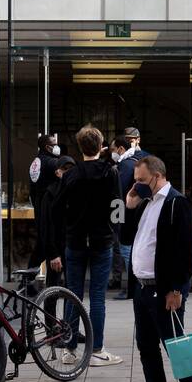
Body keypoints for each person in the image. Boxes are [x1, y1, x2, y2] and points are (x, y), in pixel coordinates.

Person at [121, 154, 192, 382]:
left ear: (157, 176)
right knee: (146, 347)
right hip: (142, 289)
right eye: (135, 181)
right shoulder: (147, 202)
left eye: (141, 180)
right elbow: (126, 237)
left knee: (176, 346)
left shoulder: (177, 202)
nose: (137, 185)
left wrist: (176, 289)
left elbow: (186, 253)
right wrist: (130, 202)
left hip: (164, 290)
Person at [59, 125, 123, 367]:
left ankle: (70, 348)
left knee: (72, 294)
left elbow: (60, 208)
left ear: (80, 147)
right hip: (101, 241)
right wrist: (114, 233)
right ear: (101, 145)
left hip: (75, 240)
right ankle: (96, 349)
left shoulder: (70, 175)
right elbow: (118, 206)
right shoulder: (110, 172)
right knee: (98, 297)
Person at [42, 156, 77, 290]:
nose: (68, 172)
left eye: (71, 169)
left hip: (72, 247)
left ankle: (69, 312)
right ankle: (49, 313)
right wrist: (53, 254)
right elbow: (46, 225)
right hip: (56, 248)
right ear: (57, 172)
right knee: (53, 289)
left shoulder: (76, 191)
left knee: (72, 290)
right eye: (64, 169)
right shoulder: (50, 194)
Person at [112, 136, 141, 299]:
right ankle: (133, 287)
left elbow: (118, 192)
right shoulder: (134, 162)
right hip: (130, 214)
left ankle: (132, 288)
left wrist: (114, 218)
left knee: (126, 250)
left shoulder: (125, 165)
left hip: (125, 216)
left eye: (113, 149)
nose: (112, 153)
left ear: (121, 149)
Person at [29, 132, 62, 272]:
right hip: (50, 209)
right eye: (55, 144)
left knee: (42, 246)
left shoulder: (36, 162)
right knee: (51, 246)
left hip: (39, 208)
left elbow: (32, 189)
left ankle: (28, 282)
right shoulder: (52, 163)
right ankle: (51, 287)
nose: (57, 147)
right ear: (48, 147)